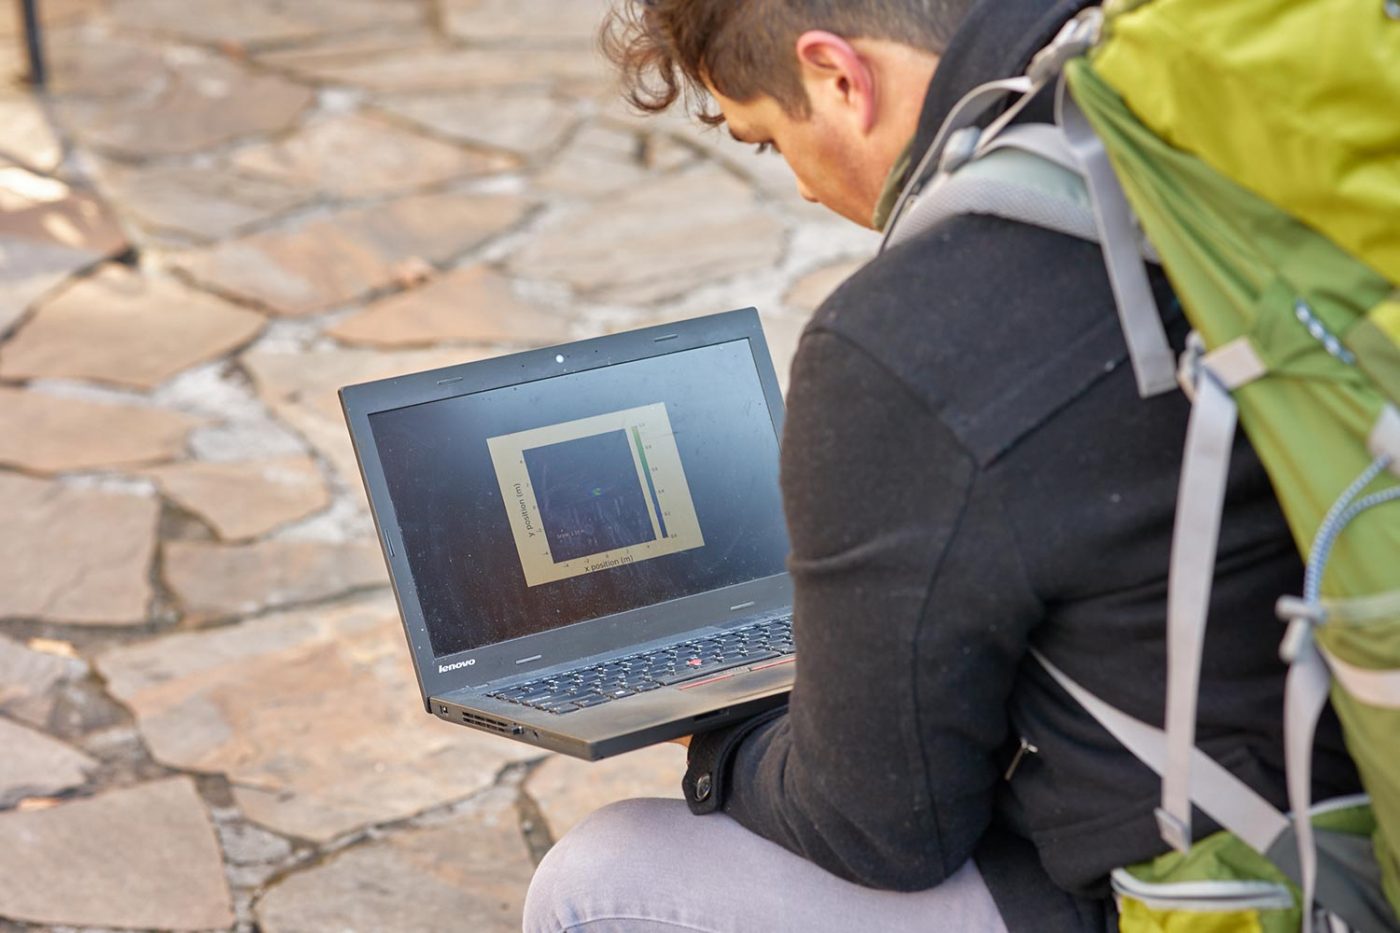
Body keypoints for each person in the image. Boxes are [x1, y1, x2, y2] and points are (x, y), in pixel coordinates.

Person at [523, 1, 1361, 930]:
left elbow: (880, 828)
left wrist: (721, 731)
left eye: (769, 140)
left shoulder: (906, 341)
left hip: (1252, 883)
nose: (802, 189)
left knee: (599, 879)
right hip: (1359, 764)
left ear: (840, 76)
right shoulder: (1223, 119)